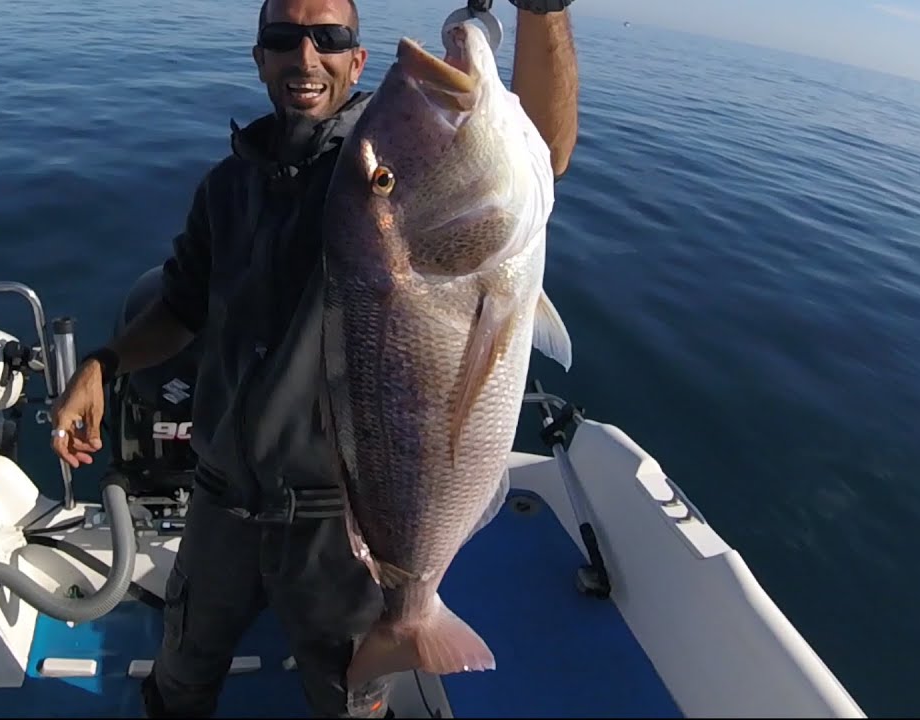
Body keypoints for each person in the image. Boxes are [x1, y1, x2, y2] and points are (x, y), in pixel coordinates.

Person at [48, 0, 579, 716]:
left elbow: (543, 145)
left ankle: (399, 632)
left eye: (328, 38)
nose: (306, 57)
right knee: (183, 665)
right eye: (283, 38)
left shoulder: (371, 163)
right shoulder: (226, 188)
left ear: (356, 62)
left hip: (342, 521)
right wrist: (102, 365)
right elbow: (179, 310)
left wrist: (541, 11)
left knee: (348, 695)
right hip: (220, 501)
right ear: (259, 57)